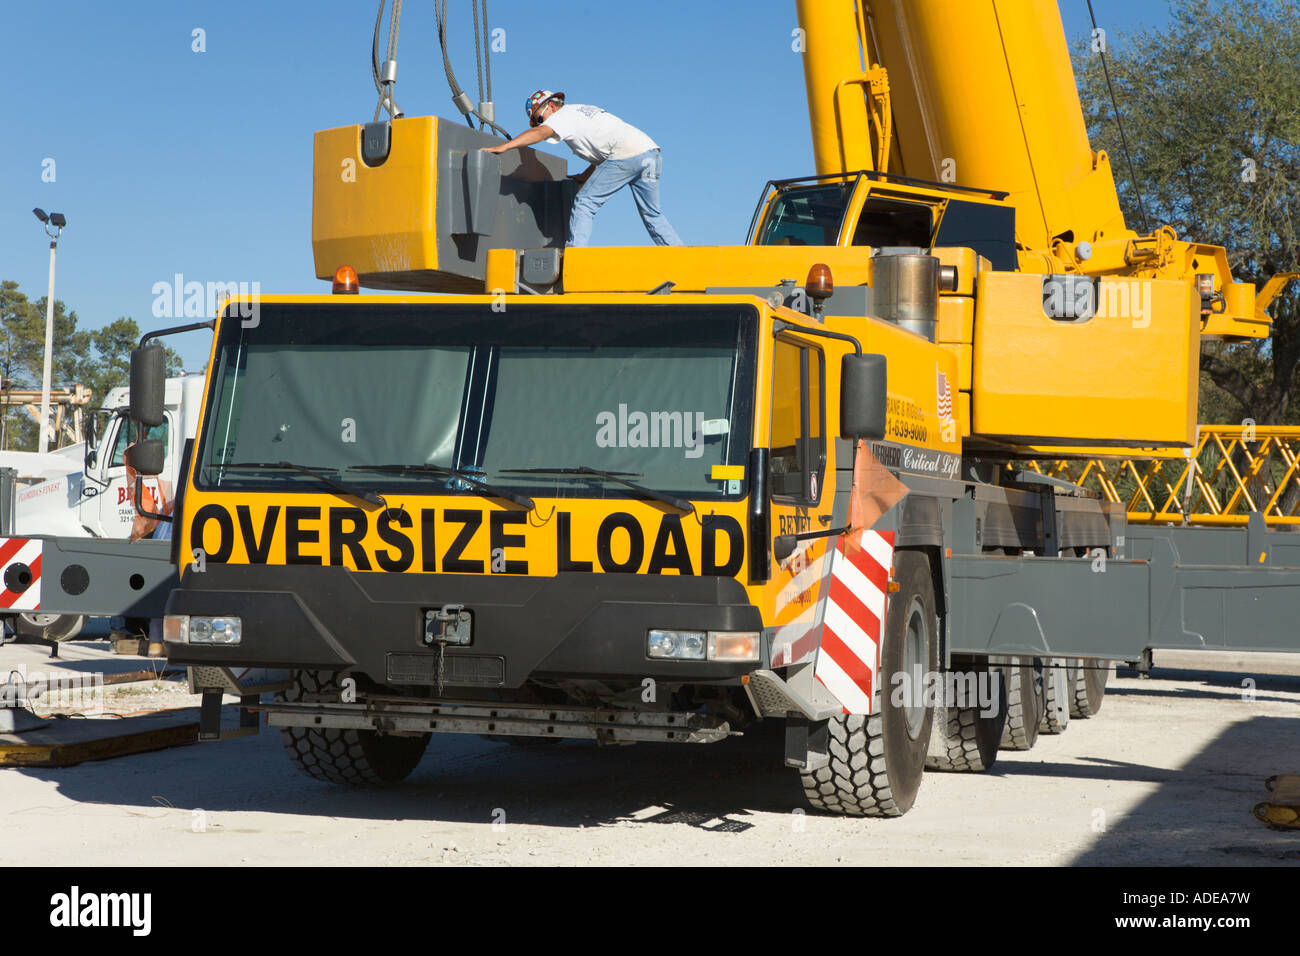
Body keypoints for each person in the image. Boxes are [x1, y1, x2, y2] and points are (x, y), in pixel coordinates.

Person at [481, 90, 683, 248]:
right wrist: (584, 177)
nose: (542, 123)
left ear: (551, 106)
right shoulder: (579, 113)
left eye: (539, 118)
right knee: (652, 214)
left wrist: (506, 146)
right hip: (649, 153)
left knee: (585, 201)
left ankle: (576, 256)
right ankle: (684, 259)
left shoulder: (562, 117)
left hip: (626, 154)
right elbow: (602, 157)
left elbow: (541, 133)